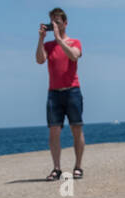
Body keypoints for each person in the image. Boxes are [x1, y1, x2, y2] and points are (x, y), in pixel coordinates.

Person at [35, 8, 83, 180]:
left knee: (76, 129)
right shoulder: (48, 45)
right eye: (52, 22)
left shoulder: (75, 42)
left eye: (58, 22)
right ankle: (56, 169)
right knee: (54, 131)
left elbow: (74, 56)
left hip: (72, 91)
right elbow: (40, 60)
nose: (55, 25)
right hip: (54, 93)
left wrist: (59, 40)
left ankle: (78, 166)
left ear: (65, 23)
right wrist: (41, 39)